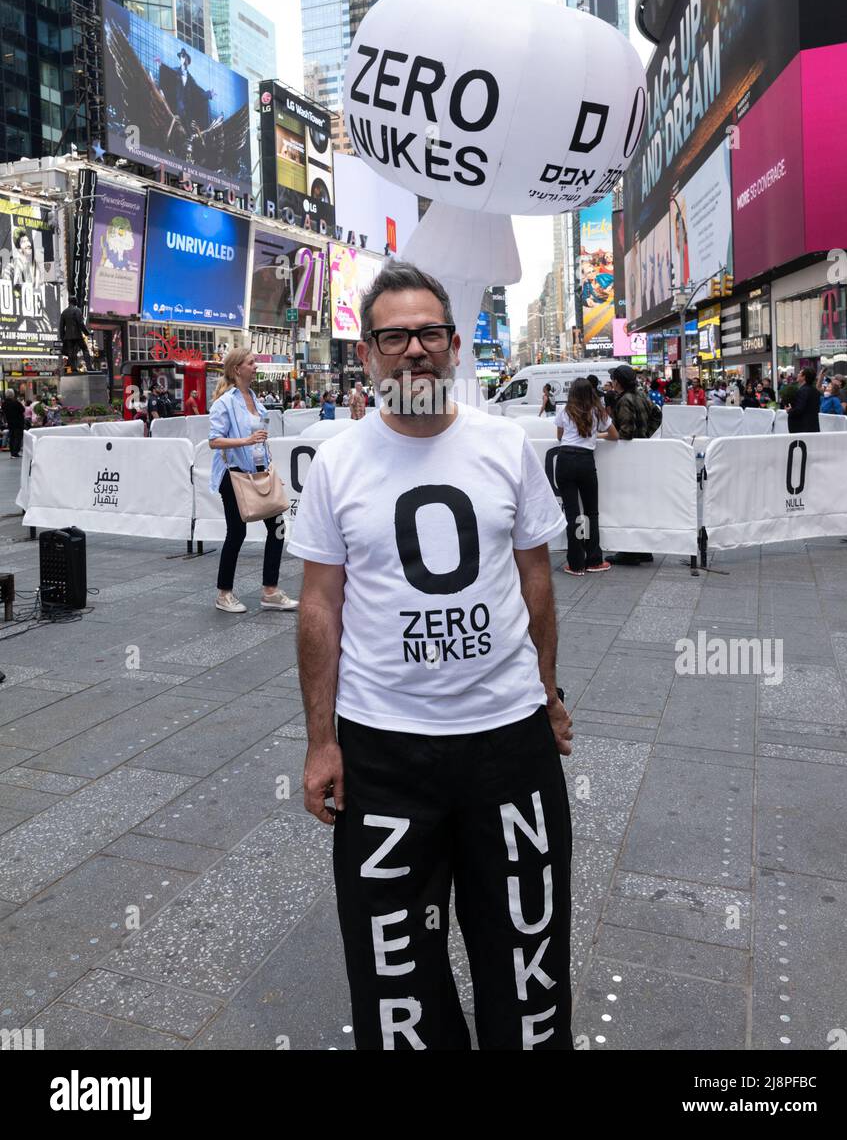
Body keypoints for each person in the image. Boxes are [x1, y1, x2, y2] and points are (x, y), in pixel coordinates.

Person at [289, 261, 574, 1051]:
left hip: (508, 742)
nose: (412, 350)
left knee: (527, 947)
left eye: (427, 334)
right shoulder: (337, 461)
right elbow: (320, 605)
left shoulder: (506, 445)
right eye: (393, 337)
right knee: (394, 967)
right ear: (368, 353)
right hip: (383, 748)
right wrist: (321, 743)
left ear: (453, 345)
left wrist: (546, 693)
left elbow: (535, 581)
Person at [208, 348, 298, 616]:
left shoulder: (254, 399)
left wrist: (270, 469)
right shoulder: (224, 402)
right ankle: (223, 593)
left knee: (278, 526)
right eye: (251, 362)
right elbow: (214, 441)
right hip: (233, 475)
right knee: (237, 533)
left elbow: (261, 439)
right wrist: (245, 441)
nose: (256, 366)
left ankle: (270, 591)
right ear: (237, 369)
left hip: (257, 472)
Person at [554, 378, 618, 576]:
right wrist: (595, 436)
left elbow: (559, 436)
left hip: (564, 460)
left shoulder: (564, 411)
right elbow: (614, 435)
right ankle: (594, 560)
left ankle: (575, 563)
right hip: (585, 462)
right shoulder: (598, 412)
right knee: (591, 513)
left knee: (572, 513)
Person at [605, 365, 657, 566]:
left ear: (618, 382)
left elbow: (625, 432)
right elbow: (657, 415)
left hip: (627, 459)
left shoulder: (625, 401)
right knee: (639, 503)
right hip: (640, 456)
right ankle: (643, 549)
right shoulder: (642, 396)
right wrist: (645, 436)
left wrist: (608, 435)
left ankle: (628, 551)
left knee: (627, 502)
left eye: (614, 379)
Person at [59, 296, 92, 373]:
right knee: (85, 349)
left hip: (68, 337)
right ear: (75, 301)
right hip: (77, 335)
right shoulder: (77, 310)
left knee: (71, 353)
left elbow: (61, 327)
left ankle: (73, 369)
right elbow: (81, 323)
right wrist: (86, 332)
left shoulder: (64, 312)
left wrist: (63, 338)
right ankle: (89, 367)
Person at [787, 367, 821, 434]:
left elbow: (799, 409)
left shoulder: (803, 391)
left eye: (799, 373)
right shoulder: (814, 390)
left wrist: (790, 410)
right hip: (812, 426)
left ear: (804, 377)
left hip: (802, 428)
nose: (798, 374)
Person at [4, 389, 25, 458]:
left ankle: (12, 452)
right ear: (13, 395)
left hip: (10, 422)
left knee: (12, 437)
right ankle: (15, 452)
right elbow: (22, 409)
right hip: (18, 422)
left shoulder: (4, 403)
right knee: (18, 437)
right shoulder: (16, 402)